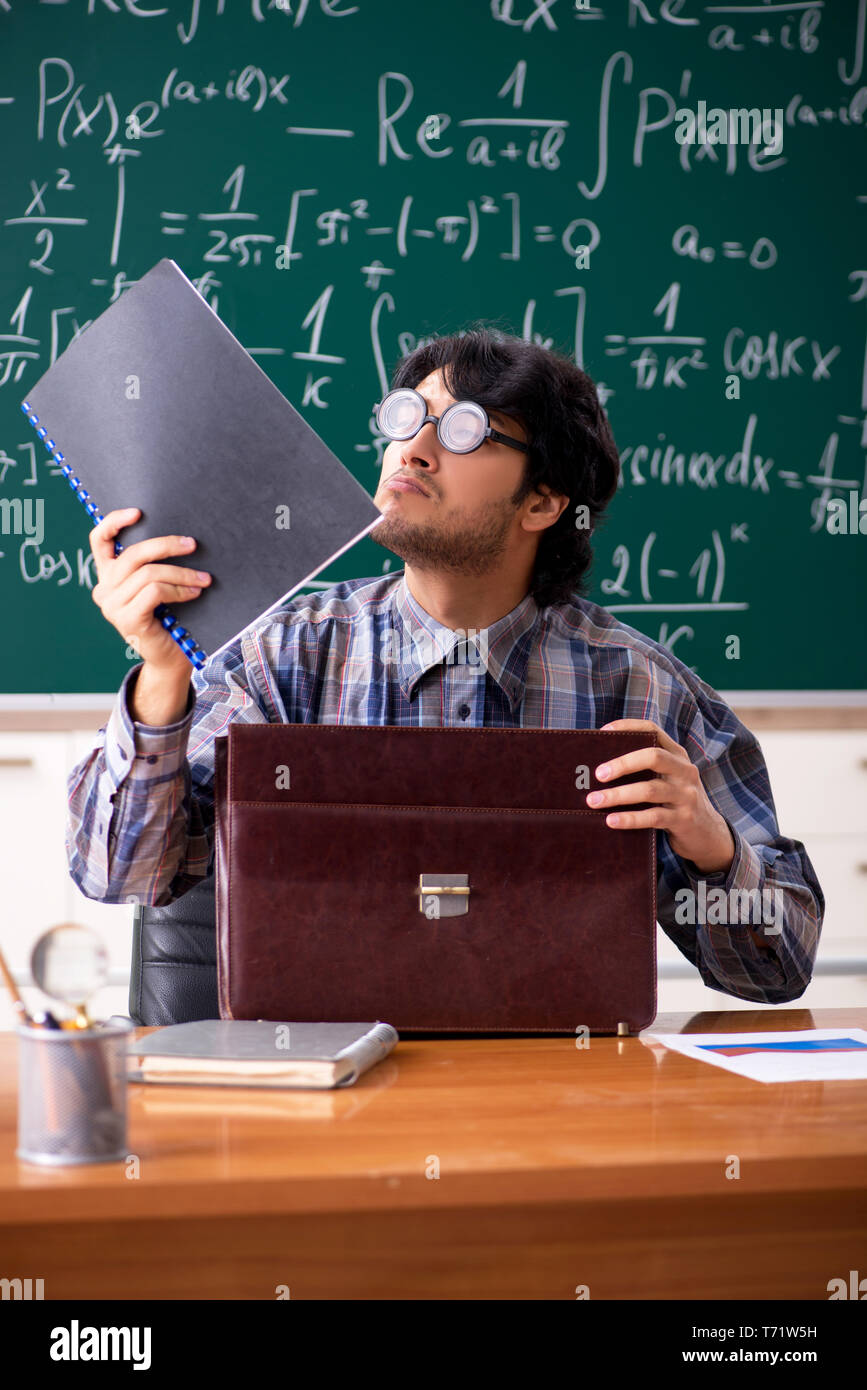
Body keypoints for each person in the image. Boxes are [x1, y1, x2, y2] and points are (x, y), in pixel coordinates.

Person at [66, 327, 823, 1005]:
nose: (414, 449)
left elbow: (775, 973)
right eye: (407, 417)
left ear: (543, 504)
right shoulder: (283, 655)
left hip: (553, 1105)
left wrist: (709, 845)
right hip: (317, 1097)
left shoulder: (637, 686)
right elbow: (121, 875)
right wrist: (160, 673)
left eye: (465, 432)